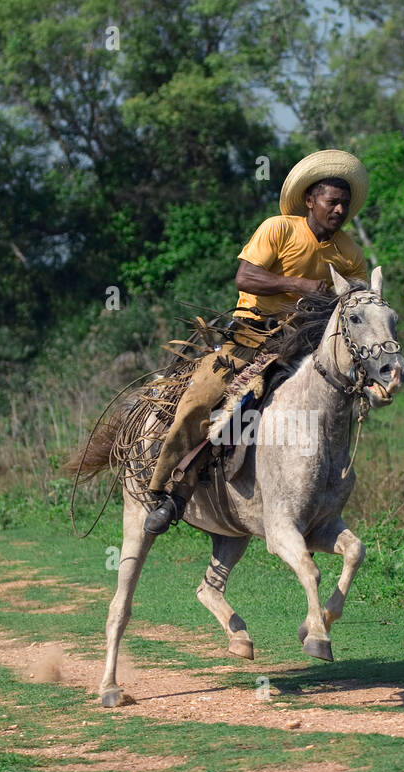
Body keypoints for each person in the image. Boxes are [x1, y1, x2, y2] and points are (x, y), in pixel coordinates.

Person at [143, 149, 372, 535]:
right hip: (252, 334)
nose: (339, 210)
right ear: (310, 200)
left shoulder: (348, 252)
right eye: (332, 202)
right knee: (203, 399)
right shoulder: (278, 229)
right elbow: (245, 278)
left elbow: (358, 299)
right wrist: (299, 286)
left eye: (344, 205)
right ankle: (169, 492)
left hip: (308, 342)